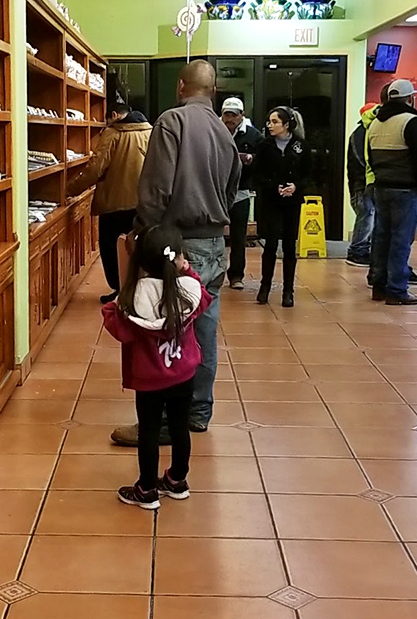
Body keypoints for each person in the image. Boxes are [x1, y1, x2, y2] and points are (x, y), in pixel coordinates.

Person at [111, 60, 241, 445]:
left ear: (181, 86)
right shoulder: (225, 130)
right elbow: (233, 191)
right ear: (213, 91)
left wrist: (142, 232)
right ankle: (198, 412)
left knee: (166, 330)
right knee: (205, 328)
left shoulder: (172, 121)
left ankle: (167, 422)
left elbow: (156, 186)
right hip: (216, 244)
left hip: (177, 244)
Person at [102, 225, 211, 509]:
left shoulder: (134, 298)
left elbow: (115, 323)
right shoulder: (188, 290)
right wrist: (187, 272)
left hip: (150, 379)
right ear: (178, 258)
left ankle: (147, 488)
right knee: (179, 427)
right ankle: (177, 480)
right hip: (184, 374)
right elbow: (203, 299)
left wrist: (127, 284)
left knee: (149, 431)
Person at [66, 102, 152, 304]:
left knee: (112, 248)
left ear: (113, 115)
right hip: (143, 204)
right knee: (138, 247)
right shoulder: (150, 131)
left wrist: (70, 190)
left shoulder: (114, 133)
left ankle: (119, 289)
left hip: (114, 202)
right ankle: (137, 290)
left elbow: (95, 169)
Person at [368, 79, 417, 305]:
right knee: (401, 240)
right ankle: (397, 289)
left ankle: (379, 286)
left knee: (381, 237)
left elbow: (371, 159)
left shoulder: (375, 123)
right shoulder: (411, 121)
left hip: (381, 187)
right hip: (405, 190)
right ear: (409, 98)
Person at [254, 106, 311, 308]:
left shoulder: (301, 146)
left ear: (286, 124)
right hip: (271, 201)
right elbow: (257, 174)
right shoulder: (264, 146)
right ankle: (265, 287)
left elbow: (310, 174)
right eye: (269, 121)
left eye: (275, 122)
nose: (270, 125)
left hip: (292, 202)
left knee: (289, 246)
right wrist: (272, 186)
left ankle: (288, 290)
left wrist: (296, 187)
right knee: (270, 244)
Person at [221, 97, 263, 290]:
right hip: (217, 192)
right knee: (215, 236)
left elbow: (263, 160)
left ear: (241, 115)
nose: (229, 119)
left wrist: (251, 160)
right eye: (226, 115)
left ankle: (236, 275)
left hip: (241, 192)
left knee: (239, 237)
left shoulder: (253, 136)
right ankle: (216, 273)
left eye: (233, 115)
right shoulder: (215, 131)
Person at [345, 102, 378, 267]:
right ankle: (357, 251)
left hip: (361, 183)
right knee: (366, 215)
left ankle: (361, 250)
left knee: (367, 216)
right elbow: (362, 160)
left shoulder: (360, 132)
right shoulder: (361, 133)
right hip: (362, 184)